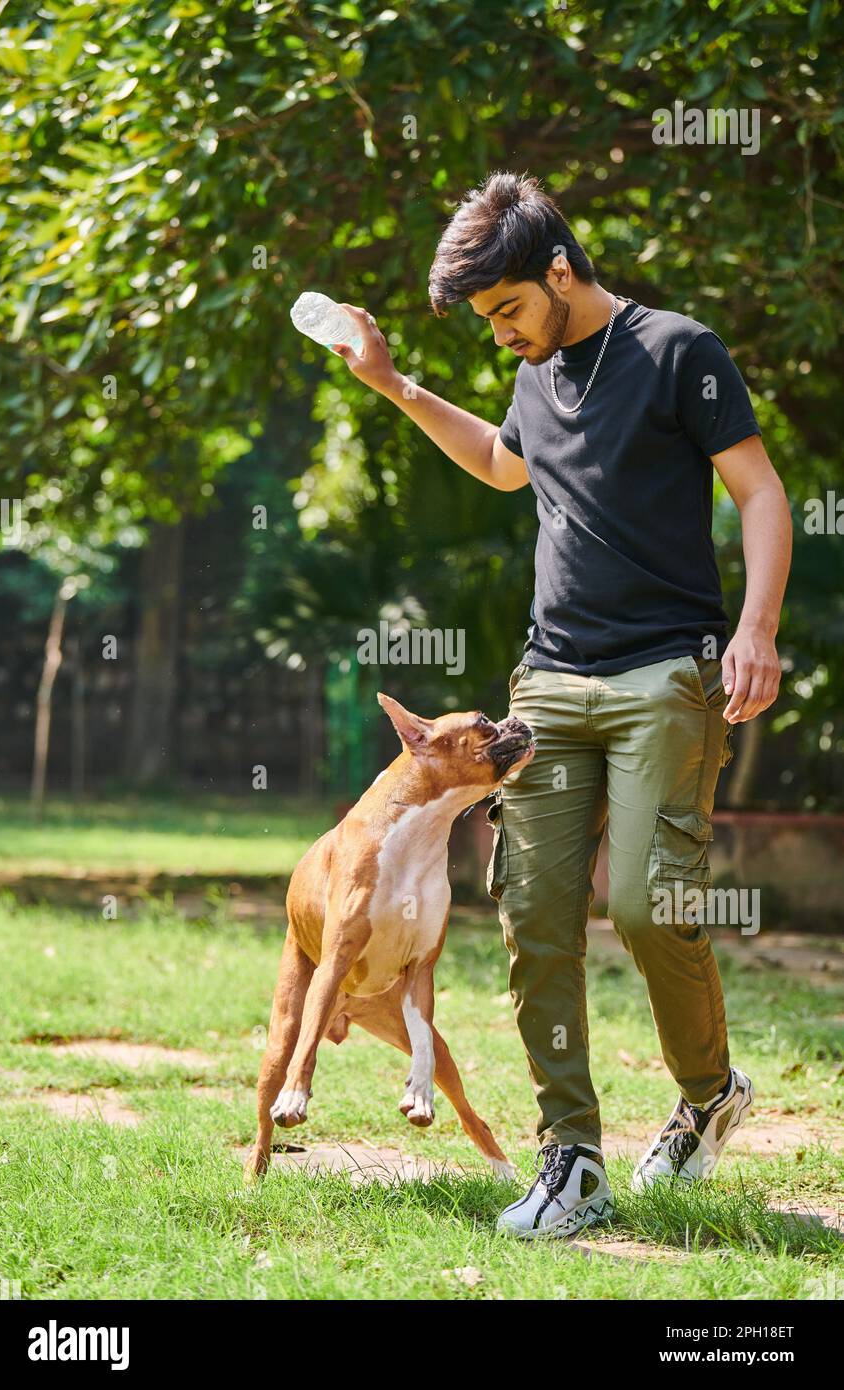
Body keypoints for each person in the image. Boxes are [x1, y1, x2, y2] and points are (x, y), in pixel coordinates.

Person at [329, 170, 792, 1240]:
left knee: (642, 901)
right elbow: (501, 465)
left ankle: (706, 1092)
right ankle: (570, 1156)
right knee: (533, 911)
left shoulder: (677, 351)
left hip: (661, 677)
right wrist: (392, 384)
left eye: (505, 312)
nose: (499, 338)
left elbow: (759, 491)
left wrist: (755, 627)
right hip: (544, 684)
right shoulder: (537, 374)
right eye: (487, 322)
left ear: (558, 268)